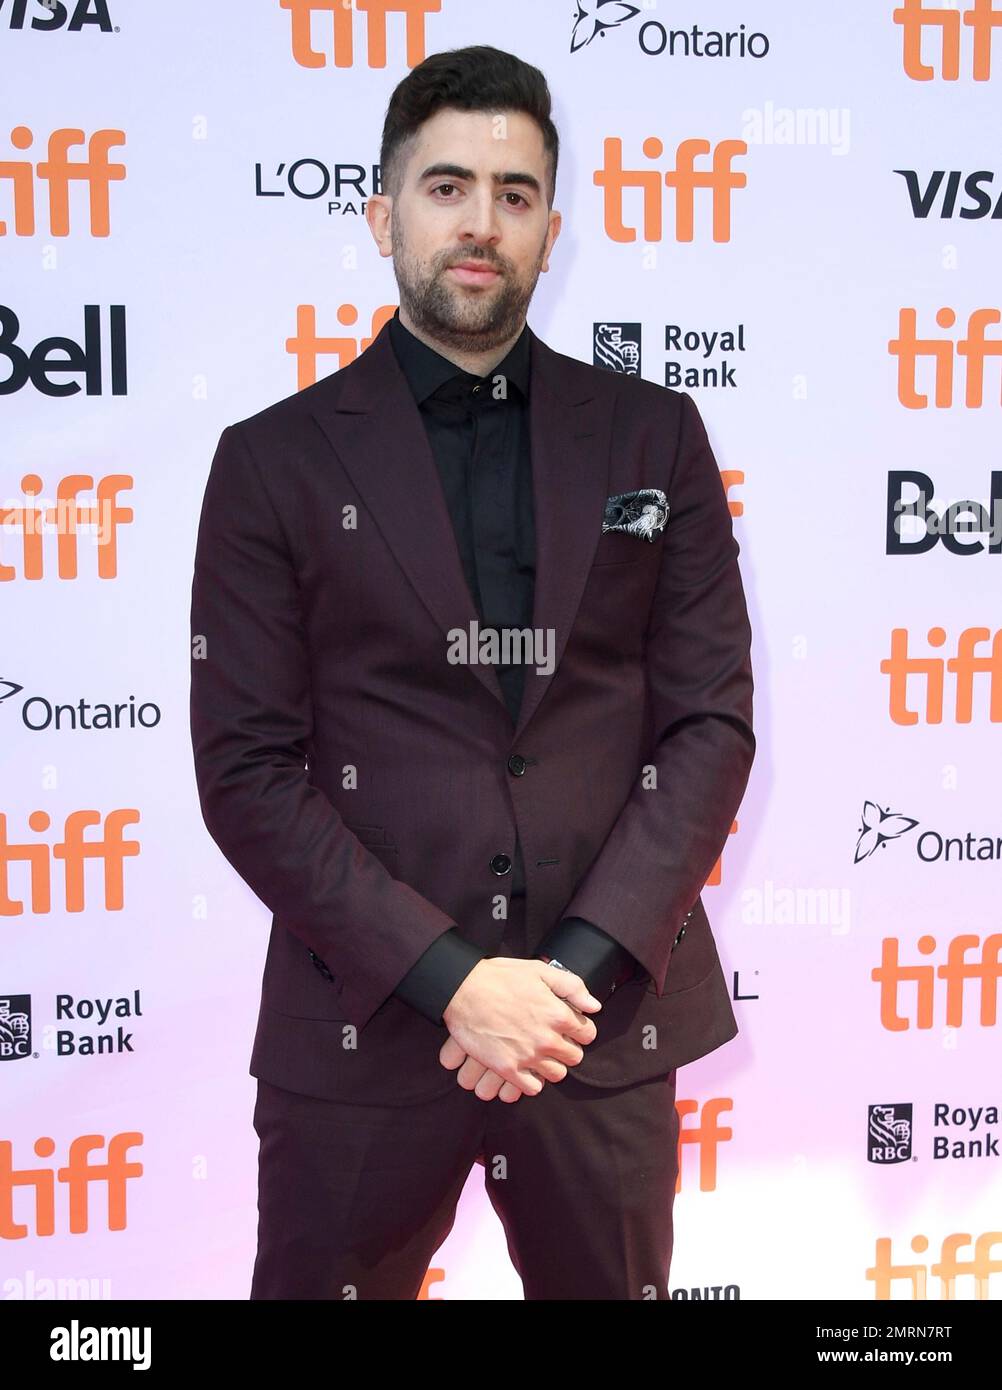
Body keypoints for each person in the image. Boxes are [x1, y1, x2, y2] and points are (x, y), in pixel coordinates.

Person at [189, 44, 755, 1300]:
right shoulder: (272, 464)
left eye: (513, 192)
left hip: (593, 1027)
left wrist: (565, 977)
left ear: (553, 228)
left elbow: (709, 724)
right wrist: (453, 982)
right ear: (384, 214)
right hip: (366, 1027)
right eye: (447, 187)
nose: (480, 221)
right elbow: (245, 769)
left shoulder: (655, 432)